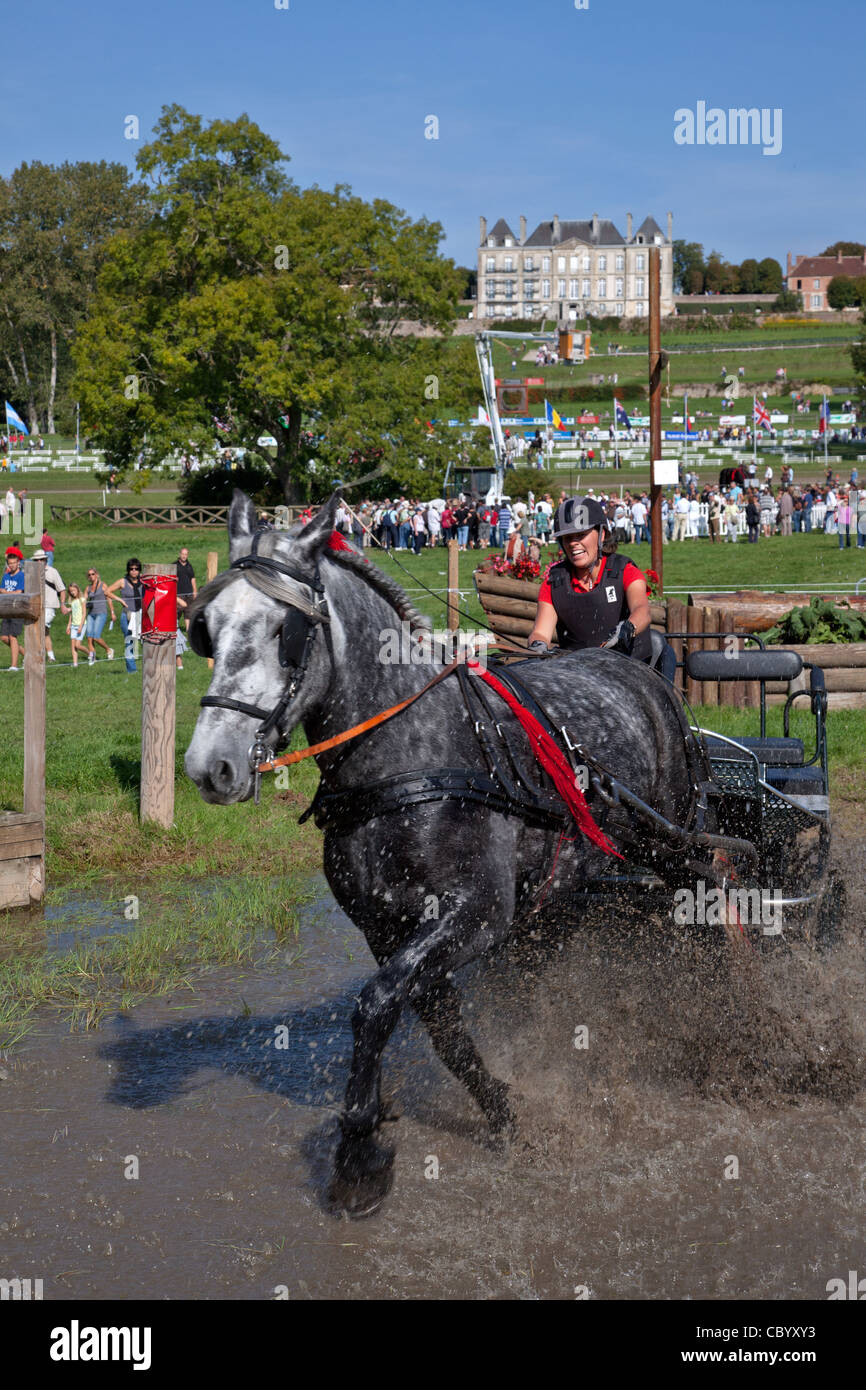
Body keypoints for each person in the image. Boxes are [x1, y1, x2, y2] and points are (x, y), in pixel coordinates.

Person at [527, 497, 651, 663]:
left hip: (630, 666)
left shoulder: (625, 570)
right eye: (567, 538)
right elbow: (541, 632)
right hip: (577, 674)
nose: (573, 544)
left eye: (581, 535)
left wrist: (626, 629)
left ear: (602, 535)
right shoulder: (553, 582)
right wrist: (538, 645)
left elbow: (642, 610)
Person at [106, 558, 144, 672]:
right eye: (131, 569)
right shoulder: (123, 581)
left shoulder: (143, 580)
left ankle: (149, 666)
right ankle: (132, 670)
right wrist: (120, 600)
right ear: (128, 570)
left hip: (141, 615)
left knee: (144, 641)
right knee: (130, 641)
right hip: (127, 615)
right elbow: (107, 591)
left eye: (136, 569)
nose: (134, 571)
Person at [31, 548, 67, 662]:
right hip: (36, 606)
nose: (39, 562)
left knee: (39, 629)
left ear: (45, 560)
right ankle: (51, 656)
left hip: (50, 606)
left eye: (41, 559)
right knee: (45, 632)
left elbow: (62, 589)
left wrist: (62, 604)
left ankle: (36, 656)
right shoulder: (31, 573)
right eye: (37, 560)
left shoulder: (52, 572)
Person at [1, 545, 26, 670]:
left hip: (17, 609)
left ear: (18, 563)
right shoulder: (6, 576)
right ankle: (26, 654)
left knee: (12, 636)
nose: (11, 565)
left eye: (14, 563)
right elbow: (1, 590)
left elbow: (19, 592)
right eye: (9, 563)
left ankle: (14, 665)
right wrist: (9, 592)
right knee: (4, 638)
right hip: (7, 609)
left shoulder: (21, 575)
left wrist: (7, 592)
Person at [84, 567, 115, 664]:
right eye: (89, 575)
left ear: (97, 574)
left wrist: (112, 612)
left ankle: (108, 649)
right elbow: (83, 600)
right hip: (91, 614)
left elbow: (109, 598)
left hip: (101, 613)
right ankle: (92, 657)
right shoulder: (88, 588)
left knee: (96, 636)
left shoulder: (103, 585)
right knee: (89, 636)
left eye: (93, 574)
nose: (91, 576)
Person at [176, 546, 196, 628]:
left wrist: (194, 591)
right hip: (178, 593)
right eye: (183, 554)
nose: (184, 556)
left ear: (187, 555)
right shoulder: (174, 565)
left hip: (189, 593)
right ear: (180, 554)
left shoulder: (189, 566)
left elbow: (193, 579)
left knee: (188, 612)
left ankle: (188, 630)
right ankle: (174, 628)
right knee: (177, 612)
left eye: (186, 554)